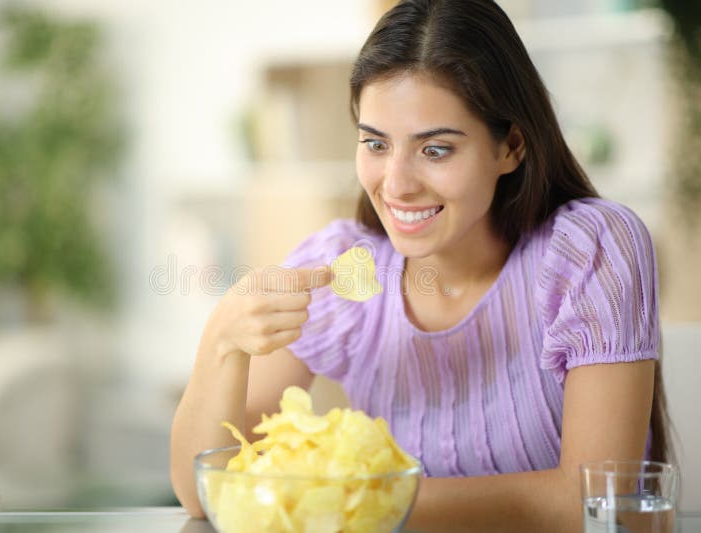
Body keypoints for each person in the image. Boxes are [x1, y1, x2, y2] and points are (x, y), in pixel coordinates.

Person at [170, 0, 671, 531]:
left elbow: (591, 500)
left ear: (511, 147)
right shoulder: (343, 272)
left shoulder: (589, 250)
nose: (397, 182)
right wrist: (222, 338)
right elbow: (204, 496)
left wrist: (349, 500)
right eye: (375, 144)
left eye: (435, 150)